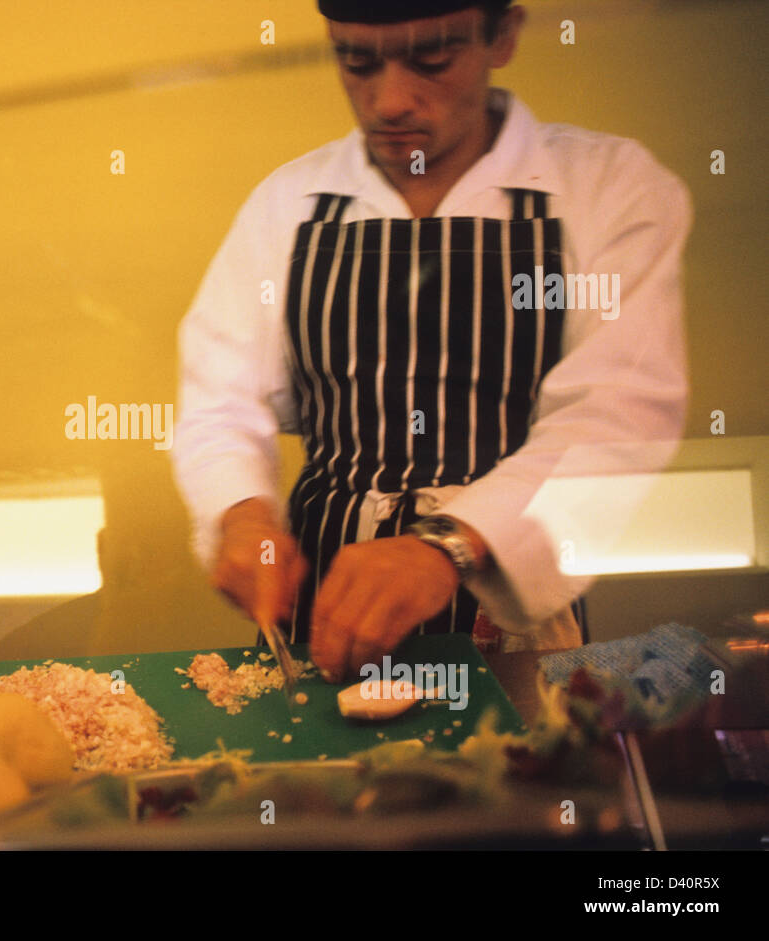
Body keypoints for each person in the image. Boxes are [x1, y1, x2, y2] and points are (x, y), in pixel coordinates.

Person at [172, 0, 690, 681]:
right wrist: (240, 514)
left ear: (501, 36)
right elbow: (220, 401)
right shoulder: (289, 203)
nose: (389, 101)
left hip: (509, 630)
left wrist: (449, 546)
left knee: (515, 782)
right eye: (356, 62)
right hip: (321, 624)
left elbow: (618, 413)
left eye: (432, 60)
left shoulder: (607, 187)